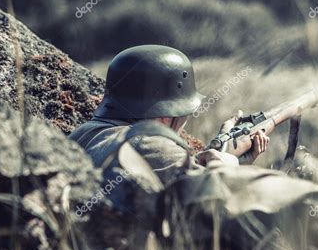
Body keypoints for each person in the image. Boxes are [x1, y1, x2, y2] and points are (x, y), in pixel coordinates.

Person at [69, 45, 269, 185]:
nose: (185, 121)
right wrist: (230, 165)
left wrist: (218, 150)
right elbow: (213, 199)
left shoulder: (82, 134)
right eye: (185, 113)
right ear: (164, 117)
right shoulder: (151, 145)